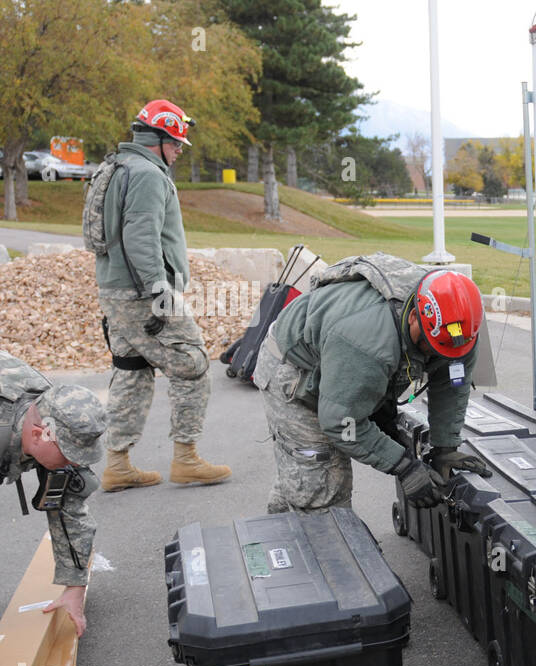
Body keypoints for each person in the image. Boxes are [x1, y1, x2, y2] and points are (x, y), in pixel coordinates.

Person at [253, 253, 491, 514]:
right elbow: (340, 422)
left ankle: (282, 521)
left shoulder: (457, 330)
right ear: (413, 316)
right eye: (428, 345)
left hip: (344, 363)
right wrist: (405, 467)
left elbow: (451, 385)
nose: (433, 354)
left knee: (302, 469)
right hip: (295, 371)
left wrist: (445, 446)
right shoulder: (367, 341)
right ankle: (316, 542)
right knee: (322, 479)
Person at [93, 99, 230, 492]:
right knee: (192, 362)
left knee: (131, 369)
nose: (178, 152)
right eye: (175, 144)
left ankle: (117, 465)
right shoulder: (149, 175)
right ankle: (186, 459)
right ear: (157, 138)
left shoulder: (115, 167)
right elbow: (140, 238)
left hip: (116, 290)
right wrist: (159, 294)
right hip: (143, 293)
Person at [0, 351, 108, 637]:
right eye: (69, 454)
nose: (75, 461)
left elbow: (68, 505)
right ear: (37, 435)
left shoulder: (56, 409)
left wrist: (75, 586)